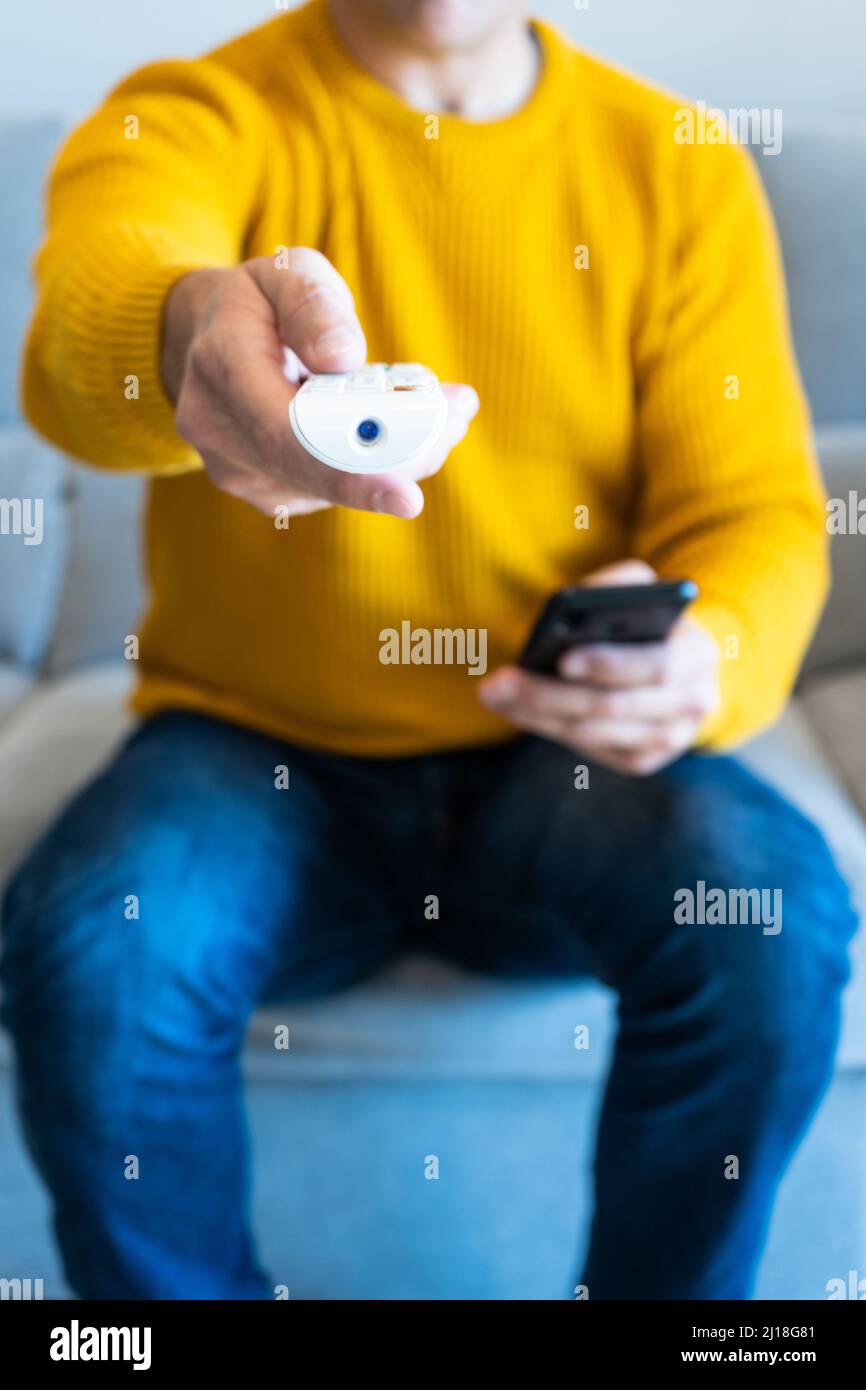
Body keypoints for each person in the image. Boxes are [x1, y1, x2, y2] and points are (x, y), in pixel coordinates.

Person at [0, 0, 857, 1299]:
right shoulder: (190, 111)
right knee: (97, 944)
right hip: (254, 750)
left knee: (772, 913)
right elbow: (81, 338)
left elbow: (752, 516)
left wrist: (712, 656)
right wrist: (186, 332)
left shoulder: (673, 158)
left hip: (557, 751)